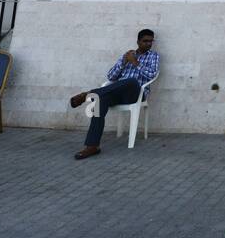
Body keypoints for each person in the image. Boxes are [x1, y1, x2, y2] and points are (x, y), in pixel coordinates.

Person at [68, 29, 160, 159]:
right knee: (100, 101)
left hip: (136, 94)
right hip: (117, 92)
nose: (148, 44)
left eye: (151, 41)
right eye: (145, 41)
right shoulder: (128, 54)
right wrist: (124, 62)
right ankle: (92, 146)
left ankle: (87, 95)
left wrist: (135, 62)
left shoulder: (154, 56)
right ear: (138, 41)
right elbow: (111, 76)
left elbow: (152, 74)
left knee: (132, 81)